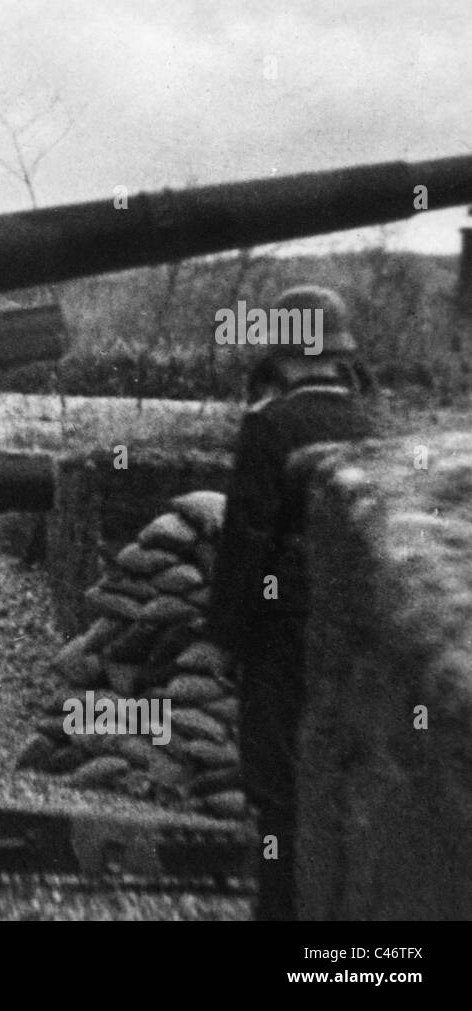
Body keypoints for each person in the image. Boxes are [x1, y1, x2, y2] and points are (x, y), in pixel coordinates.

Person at [209, 285, 377, 921]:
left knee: (278, 790)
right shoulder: (374, 425)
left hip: (283, 635)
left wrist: (225, 637)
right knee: (346, 780)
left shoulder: (268, 426)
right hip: (361, 637)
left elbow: (245, 542)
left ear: (281, 352)